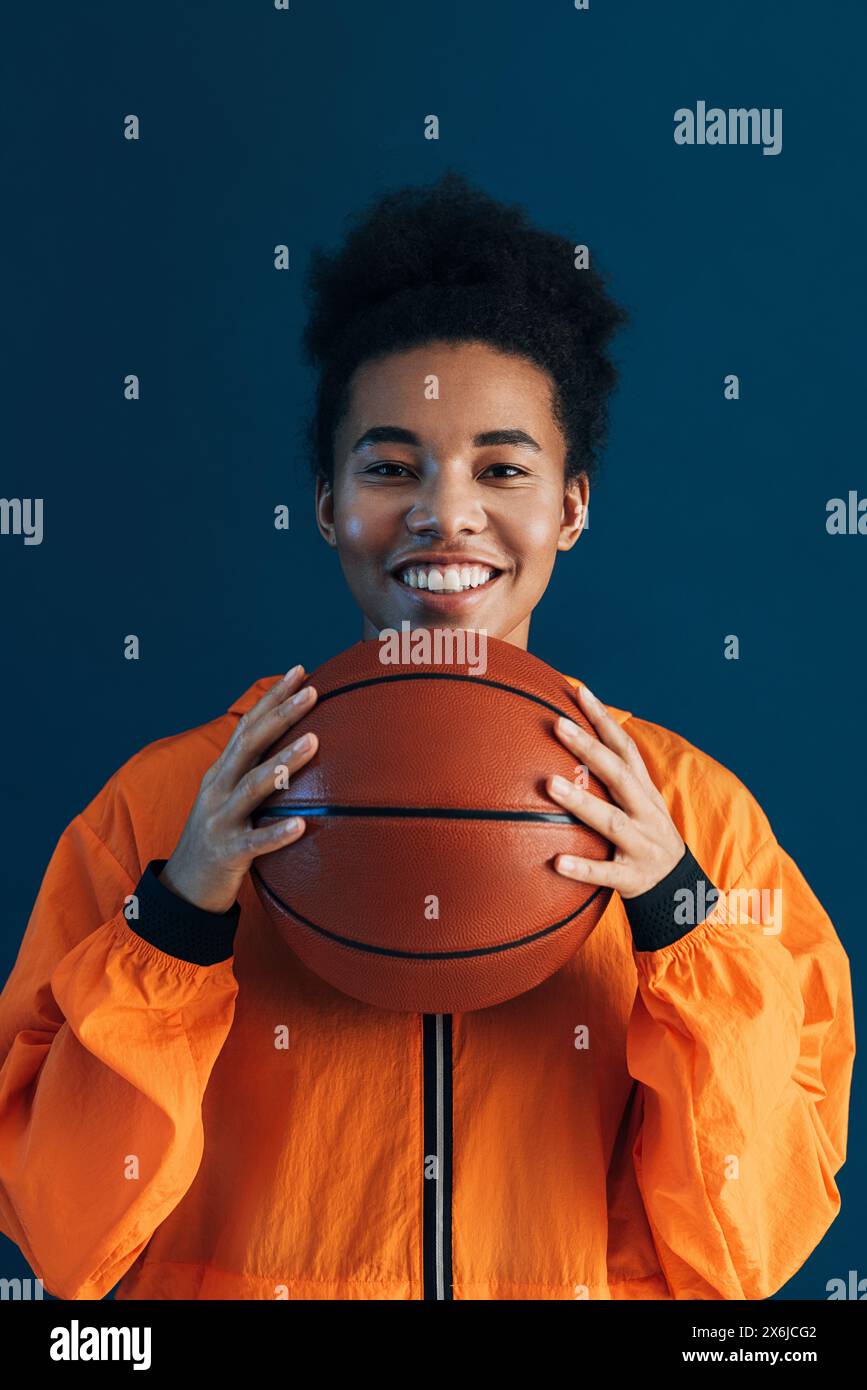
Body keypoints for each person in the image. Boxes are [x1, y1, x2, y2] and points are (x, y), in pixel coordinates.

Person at [0, 172, 854, 1300]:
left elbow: (746, 1255)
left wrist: (678, 925)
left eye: (503, 467)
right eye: (390, 466)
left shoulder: (699, 820)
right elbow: (63, 1239)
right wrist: (176, 921)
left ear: (572, 506)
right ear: (325, 502)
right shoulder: (163, 806)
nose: (445, 513)